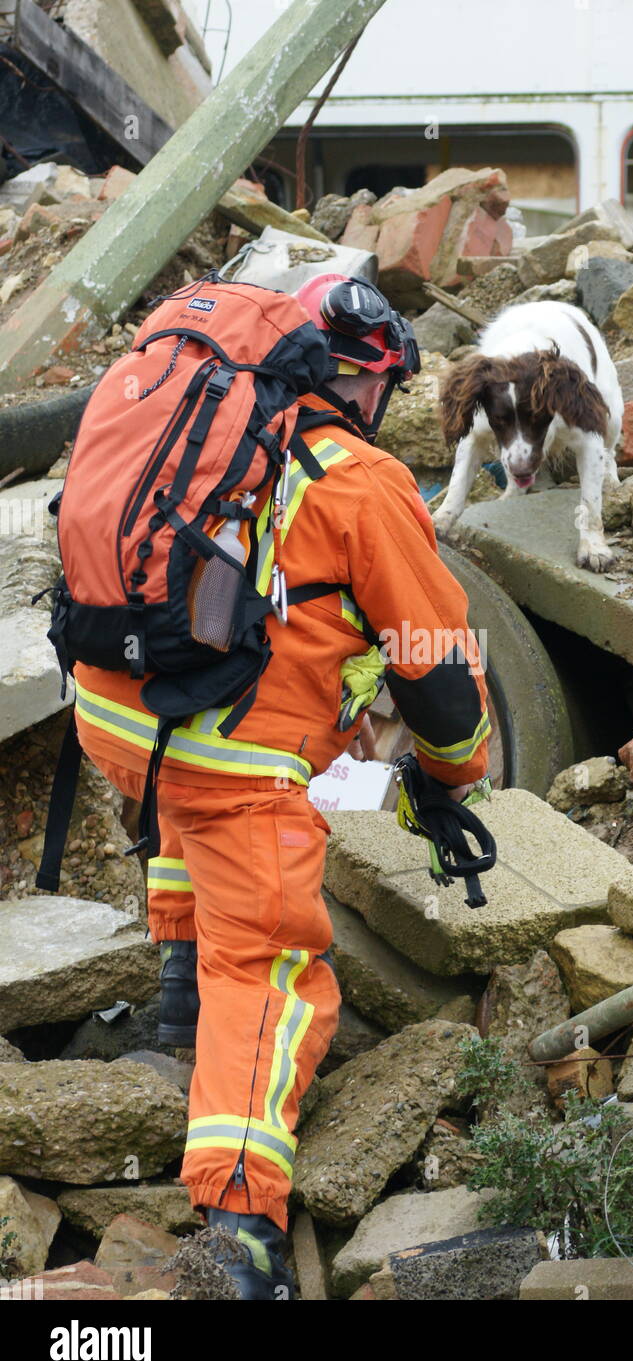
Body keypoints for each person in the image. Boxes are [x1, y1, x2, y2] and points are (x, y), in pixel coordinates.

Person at [71, 273, 490, 1299]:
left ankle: (178, 1012)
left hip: (114, 715)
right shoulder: (357, 479)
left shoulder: (199, 421)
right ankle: (239, 1228)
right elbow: (437, 670)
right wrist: (452, 772)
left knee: (186, 814)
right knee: (268, 970)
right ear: (369, 383)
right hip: (228, 757)